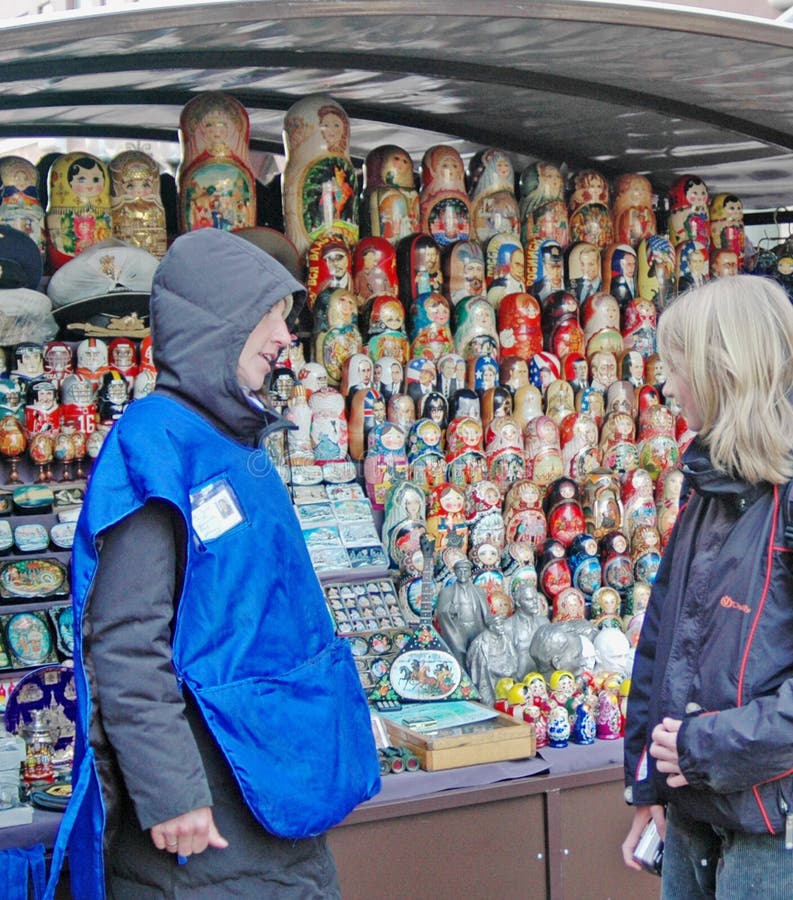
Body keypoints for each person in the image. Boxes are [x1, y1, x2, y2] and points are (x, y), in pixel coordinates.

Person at [50, 228, 380, 899]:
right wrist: (171, 793)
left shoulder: (232, 439)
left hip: (269, 790)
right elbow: (124, 640)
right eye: (269, 316)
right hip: (208, 816)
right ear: (221, 320)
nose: (285, 338)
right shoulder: (158, 443)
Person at [621, 275, 793, 899]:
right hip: (695, 813)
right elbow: (663, 642)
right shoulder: (707, 484)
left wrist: (702, 748)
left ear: (724, 368)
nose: (666, 386)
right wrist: (648, 784)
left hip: (771, 828)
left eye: (677, 367)